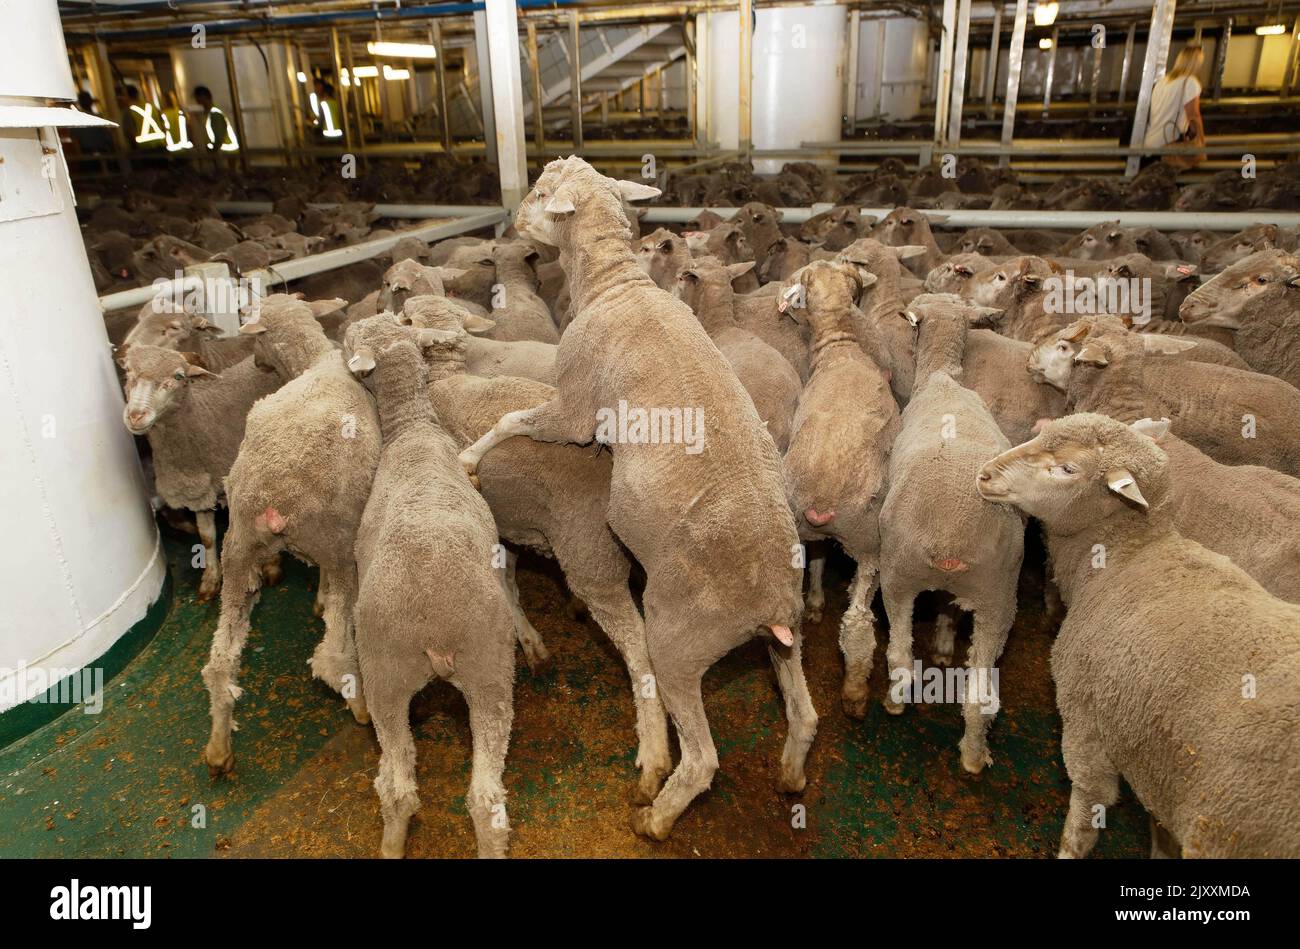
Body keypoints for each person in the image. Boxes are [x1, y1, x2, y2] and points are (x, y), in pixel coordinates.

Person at [1142, 44, 1206, 170]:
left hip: (1150, 145)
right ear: (1196, 63)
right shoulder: (1190, 82)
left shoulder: (1162, 82)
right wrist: (1201, 140)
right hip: (1170, 146)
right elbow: (1193, 115)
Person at [194, 85, 239, 154]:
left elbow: (219, 135)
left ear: (203, 97)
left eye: (197, 97)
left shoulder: (215, 114)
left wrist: (214, 149)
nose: (196, 100)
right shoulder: (211, 113)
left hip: (226, 151)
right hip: (226, 150)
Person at [310, 77, 344, 142]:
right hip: (339, 133)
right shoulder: (336, 103)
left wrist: (314, 126)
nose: (317, 90)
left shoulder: (323, 104)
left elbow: (320, 121)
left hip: (328, 135)